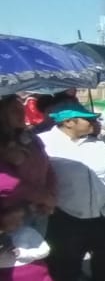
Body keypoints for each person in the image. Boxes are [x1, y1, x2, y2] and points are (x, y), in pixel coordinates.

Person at [39, 100, 105, 281]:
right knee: (68, 262)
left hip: (102, 212)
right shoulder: (43, 144)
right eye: (87, 119)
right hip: (66, 214)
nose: (92, 123)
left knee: (104, 257)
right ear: (69, 122)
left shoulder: (100, 145)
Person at [0, 93, 58, 229]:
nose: (21, 114)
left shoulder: (31, 138)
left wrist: (50, 196)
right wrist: (40, 196)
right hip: (11, 217)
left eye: (22, 109)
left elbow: (47, 167)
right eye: (14, 111)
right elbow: (3, 181)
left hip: (38, 210)